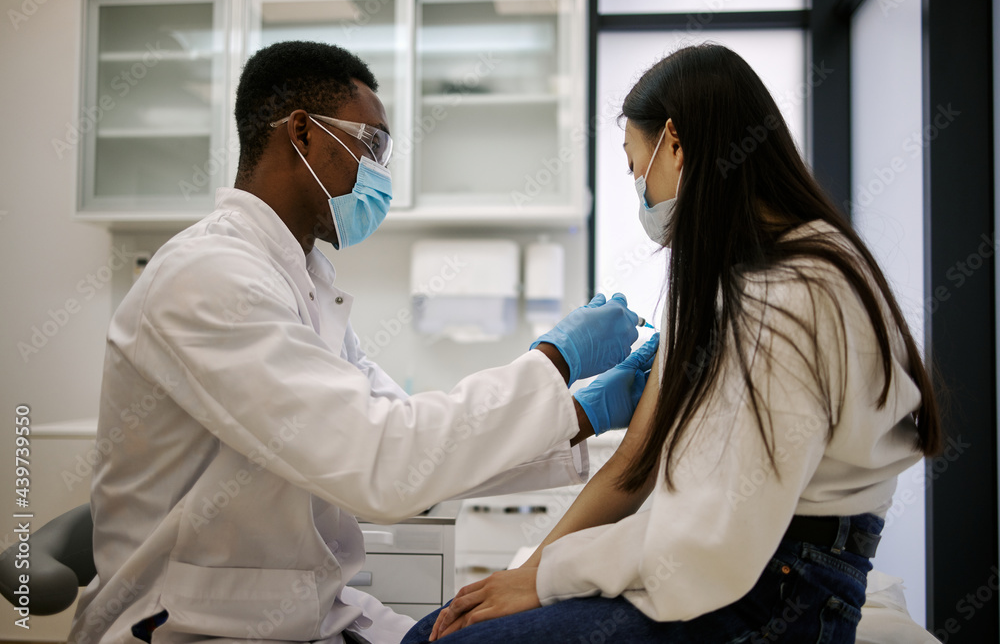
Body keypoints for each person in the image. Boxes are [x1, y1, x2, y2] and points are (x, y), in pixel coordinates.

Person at [68, 41, 657, 644]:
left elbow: (406, 438)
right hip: (191, 626)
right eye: (371, 144)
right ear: (301, 132)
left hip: (306, 614)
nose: (381, 172)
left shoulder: (302, 280)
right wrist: (558, 361)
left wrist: (585, 413)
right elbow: (382, 464)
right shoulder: (209, 277)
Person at [403, 43, 943, 643]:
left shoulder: (796, 291)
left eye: (639, 170)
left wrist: (546, 578)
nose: (642, 193)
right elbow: (634, 462)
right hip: (737, 567)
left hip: (777, 589)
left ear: (676, 144)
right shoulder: (730, 282)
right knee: (436, 629)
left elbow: (713, 541)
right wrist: (529, 575)